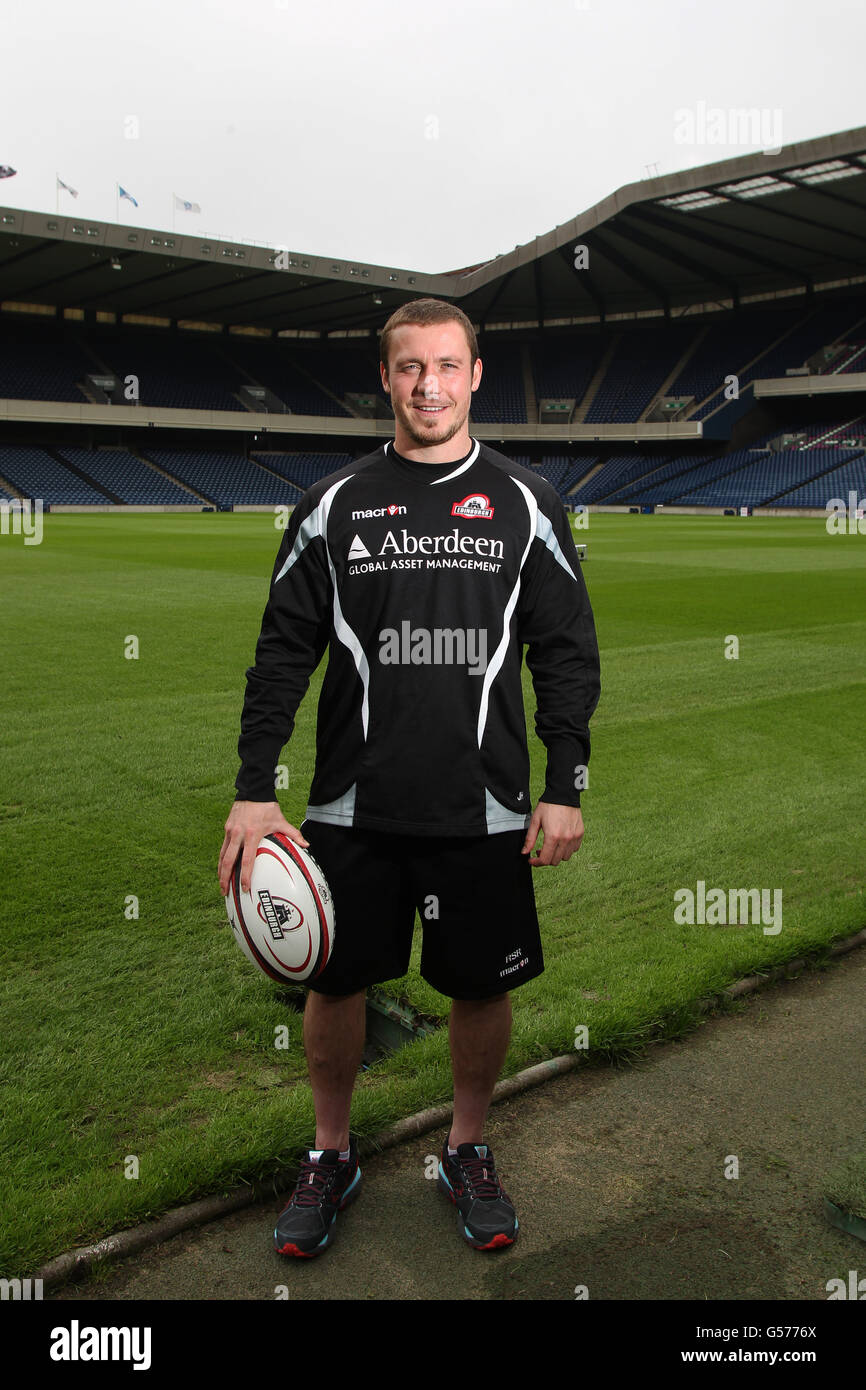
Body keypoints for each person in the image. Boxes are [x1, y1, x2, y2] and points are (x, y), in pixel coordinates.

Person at [218, 297, 601, 1256]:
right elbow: (280, 655)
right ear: (385, 379)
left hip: (485, 807)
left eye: (445, 366)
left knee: (481, 986)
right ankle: (331, 1154)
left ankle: (466, 1149)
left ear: (475, 375)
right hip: (352, 805)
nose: (428, 386)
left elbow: (565, 652)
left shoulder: (526, 501)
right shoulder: (333, 503)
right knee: (336, 982)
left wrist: (567, 783)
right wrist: (253, 786)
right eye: (408, 368)